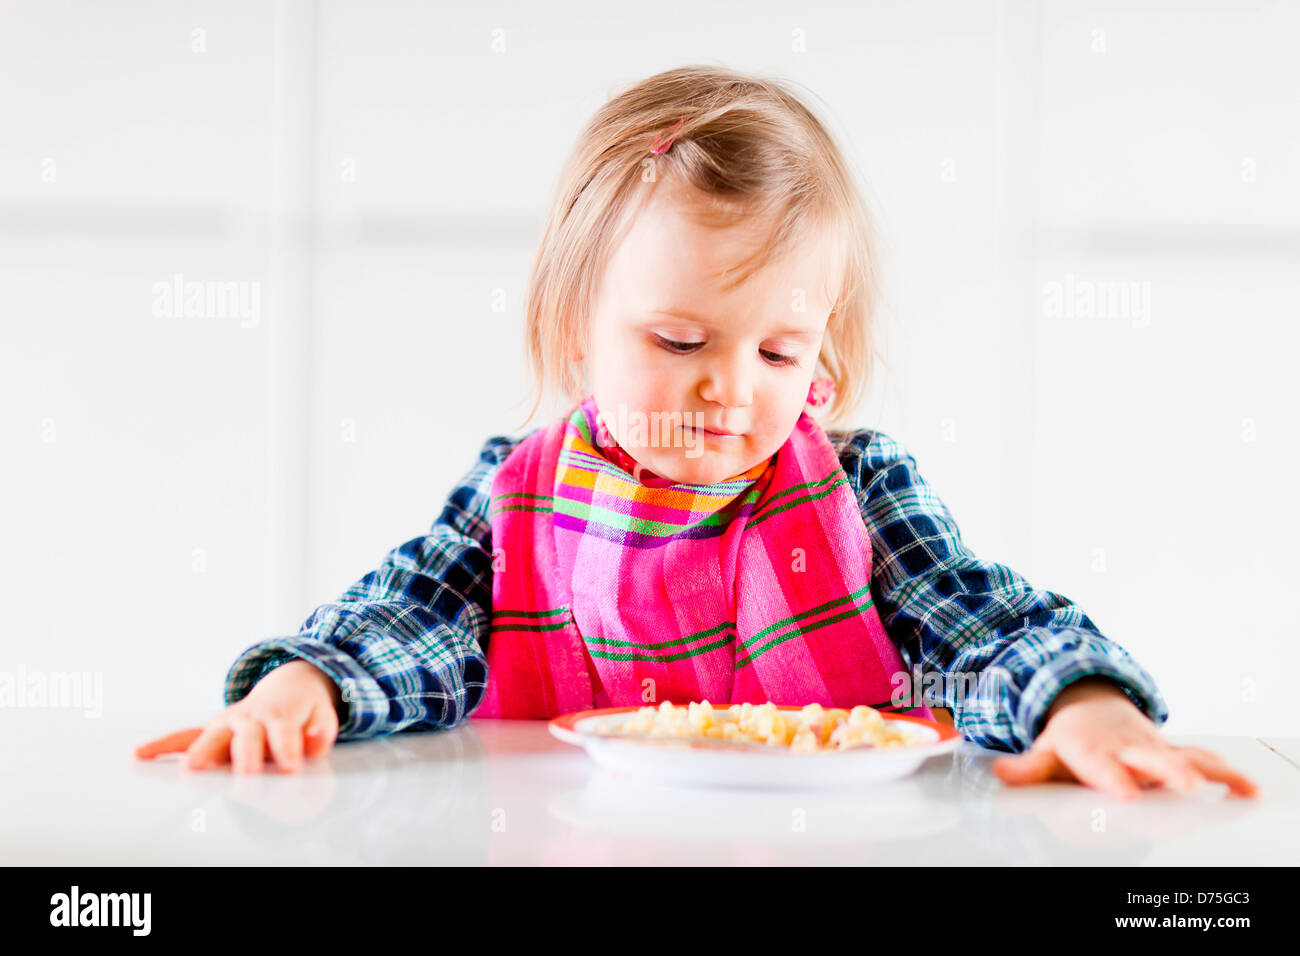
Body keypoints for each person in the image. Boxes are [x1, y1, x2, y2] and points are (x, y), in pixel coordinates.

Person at [137, 65, 1257, 801]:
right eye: (678, 340)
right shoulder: (520, 492)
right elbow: (413, 618)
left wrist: (1081, 699)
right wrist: (310, 684)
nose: (726, 389)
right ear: (573, 331)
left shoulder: (858, 494)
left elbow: (976, 620)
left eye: (777, 353)